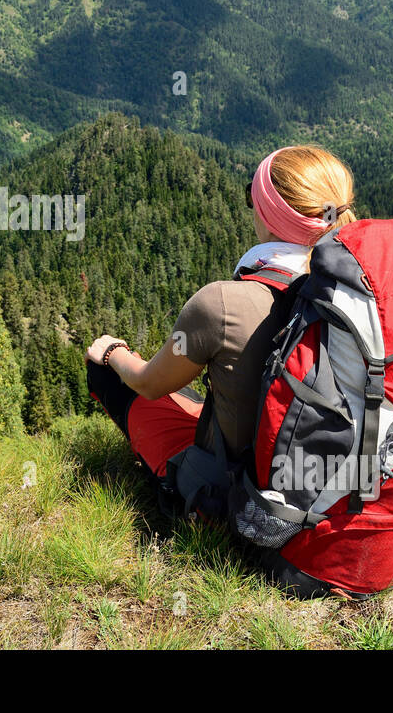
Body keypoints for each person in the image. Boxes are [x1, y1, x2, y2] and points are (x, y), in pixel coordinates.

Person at [85, 145, 358, 490]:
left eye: (252, 198)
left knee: (109, 374)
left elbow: (148, 383)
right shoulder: (361, 291)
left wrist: (112, 352)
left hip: (245, 498)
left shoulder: (222, 303)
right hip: (341, 487)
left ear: (268, 215)